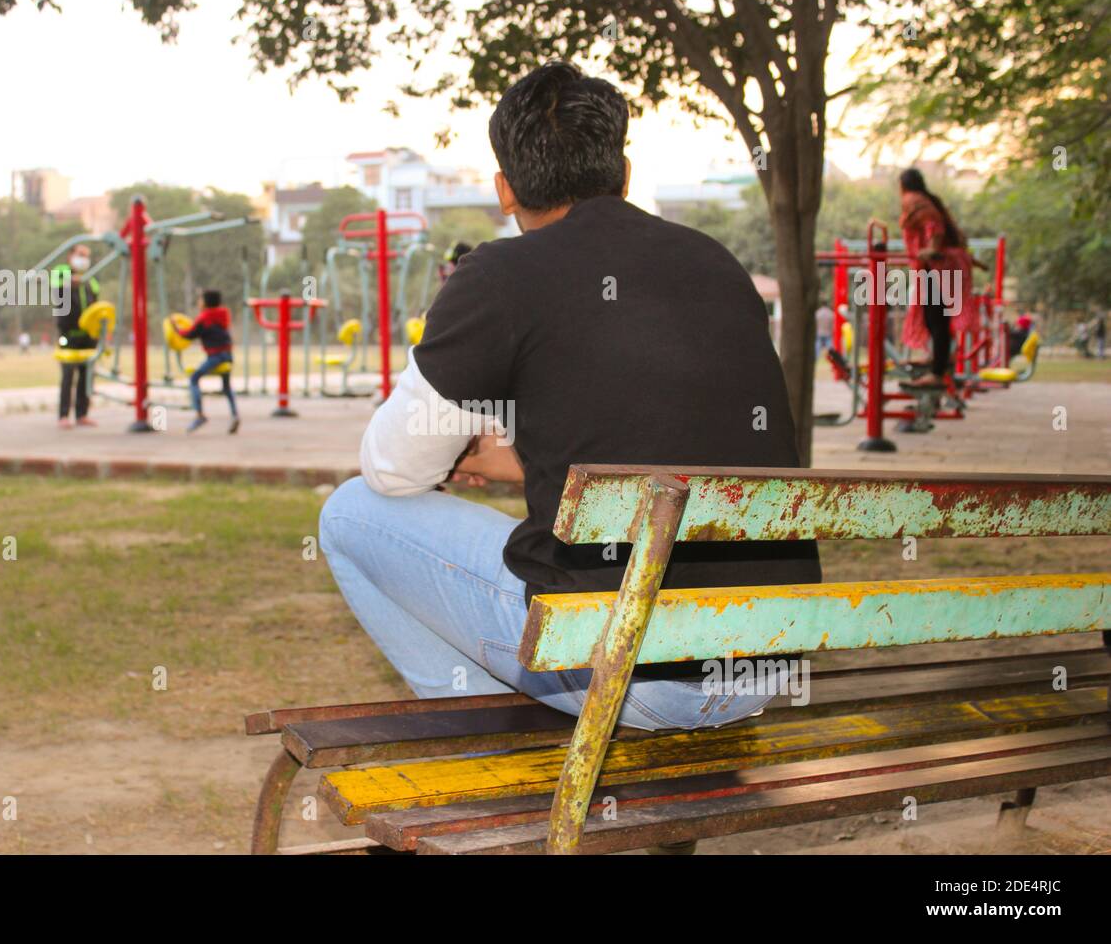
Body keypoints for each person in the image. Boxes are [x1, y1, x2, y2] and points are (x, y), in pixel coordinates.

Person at [318, 62, 820, 733]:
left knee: (351, 512)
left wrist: (465, 446)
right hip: (764, 661)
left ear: (504, 189)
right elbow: (679, 442)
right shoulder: (717, 265)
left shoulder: (499, 275)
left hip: (634, 672)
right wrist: (532, 466)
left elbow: (392, 468)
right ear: (625, 172)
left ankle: (487, 749)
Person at [896, 169, 975, 387]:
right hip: (941, 263)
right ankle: (939, 361)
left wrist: (931, 248)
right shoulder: (926, 199)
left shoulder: (914, 200)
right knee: (934, 316)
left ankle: (937, 372)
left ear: (903, 185)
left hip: (939, 263)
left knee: (936, 317)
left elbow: (934, 226)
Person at [176, 289, 239, 434]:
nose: (199, 302)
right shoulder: (223, 314)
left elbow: (190, 334)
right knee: (226, 387)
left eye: (200, 299)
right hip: (228, 355)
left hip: (215, 356)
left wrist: (176, 329)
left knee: (194, 378)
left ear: (205, 302)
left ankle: (199, 415)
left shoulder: (205, 317)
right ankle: (235, 415)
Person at [53, 245, 100, 429]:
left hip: (88, 335)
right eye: (80, 255)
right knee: (67, 374)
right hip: (69, 334)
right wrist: (70, 280)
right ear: (70, 256)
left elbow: (96, 302)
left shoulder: (92, 279)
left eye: (86, 256)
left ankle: (82, 414)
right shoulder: (61, 273)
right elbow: (57, 281)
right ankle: (63, 415)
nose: (84, 259)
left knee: (86, 375)